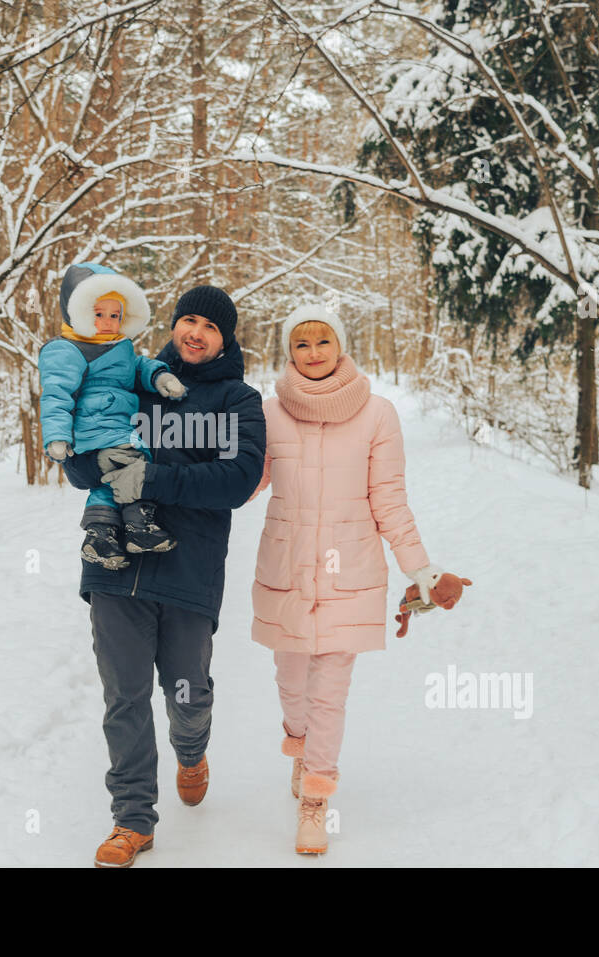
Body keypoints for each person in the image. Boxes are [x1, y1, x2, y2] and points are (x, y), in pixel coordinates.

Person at [249, 302, 471, 855]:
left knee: (330, 691)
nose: (314, 352)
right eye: (301, 344)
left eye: (323, 341)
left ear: (340, 346)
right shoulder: (269, 413)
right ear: (288, 352)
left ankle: (315, 800)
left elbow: (389, 499)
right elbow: (246, 484)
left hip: (350, 567)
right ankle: (298, 749)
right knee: (291, 681)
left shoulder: (377, 413)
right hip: (286, 566)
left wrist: (420, 568)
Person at [61, 284, 266, 867]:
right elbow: (80, 464)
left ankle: (192, 748)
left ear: (225, 338)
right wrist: (88, 453)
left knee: (187, 691)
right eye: (187, 320)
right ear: (174, 325)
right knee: (123, 697)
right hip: (112, 564)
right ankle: (132, 820)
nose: (194, 332)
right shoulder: (129, 378)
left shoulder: (237, 401)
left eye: (209, 325)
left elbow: (237, 481)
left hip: (187, 570)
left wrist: (149, 480)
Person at [39, 263, 188, 568]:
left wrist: (159, 376)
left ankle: (101, 534)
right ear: (78, 312)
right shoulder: (65, 349)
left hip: (115, 426)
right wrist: (56, 436)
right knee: (132, 463)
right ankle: (138, 525)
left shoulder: (119, 346)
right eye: (99, 314)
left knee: (109, 480)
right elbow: (56, 395)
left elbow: (137, 367)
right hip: (93, 427)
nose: (108, 322)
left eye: (115, 315)